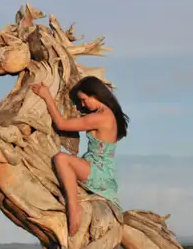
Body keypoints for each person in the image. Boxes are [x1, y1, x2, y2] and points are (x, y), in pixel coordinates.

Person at [31, 76, 129, 236]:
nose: (82, 105)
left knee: (61, 158)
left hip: (99, 172)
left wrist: (47, 97)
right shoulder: (105, 113)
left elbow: (61, 124)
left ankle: (73, 207)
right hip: (96, 167)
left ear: (95, 95)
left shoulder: (101, 117)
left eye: (83, 100)